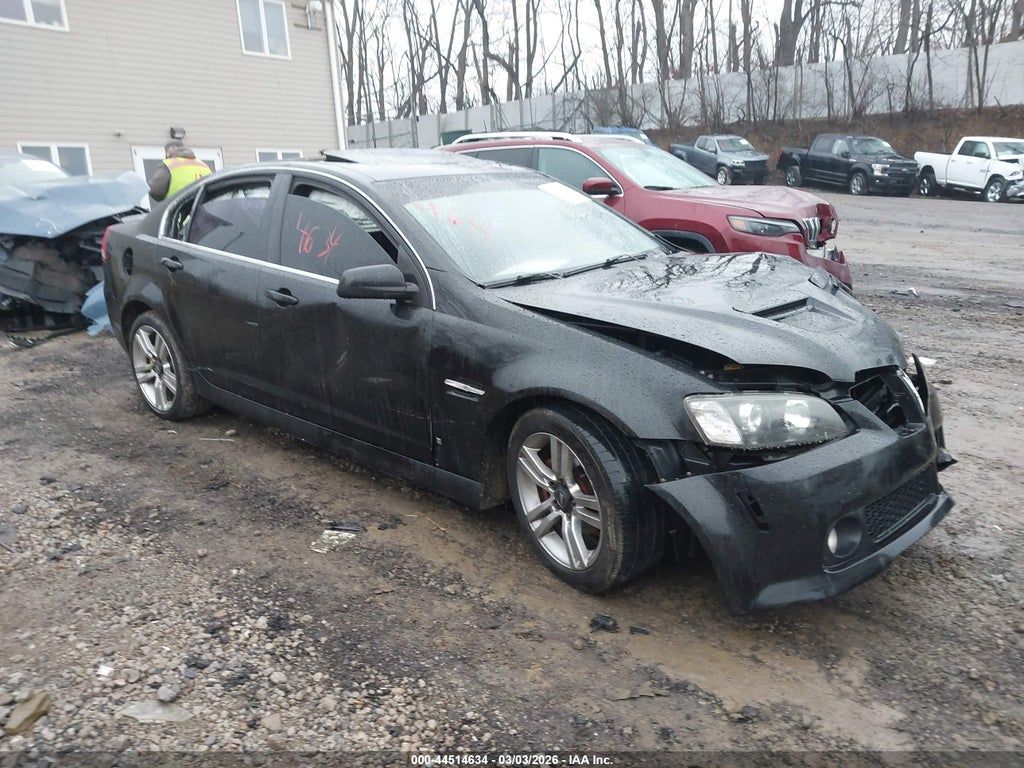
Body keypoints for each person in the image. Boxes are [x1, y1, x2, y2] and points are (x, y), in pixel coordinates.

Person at [147, 140, 212, 202]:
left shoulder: (169, 164)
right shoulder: (203, 165)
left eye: (166, 151)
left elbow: (156, 191)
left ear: (170, 149)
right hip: (203, 209)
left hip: (179, 209)